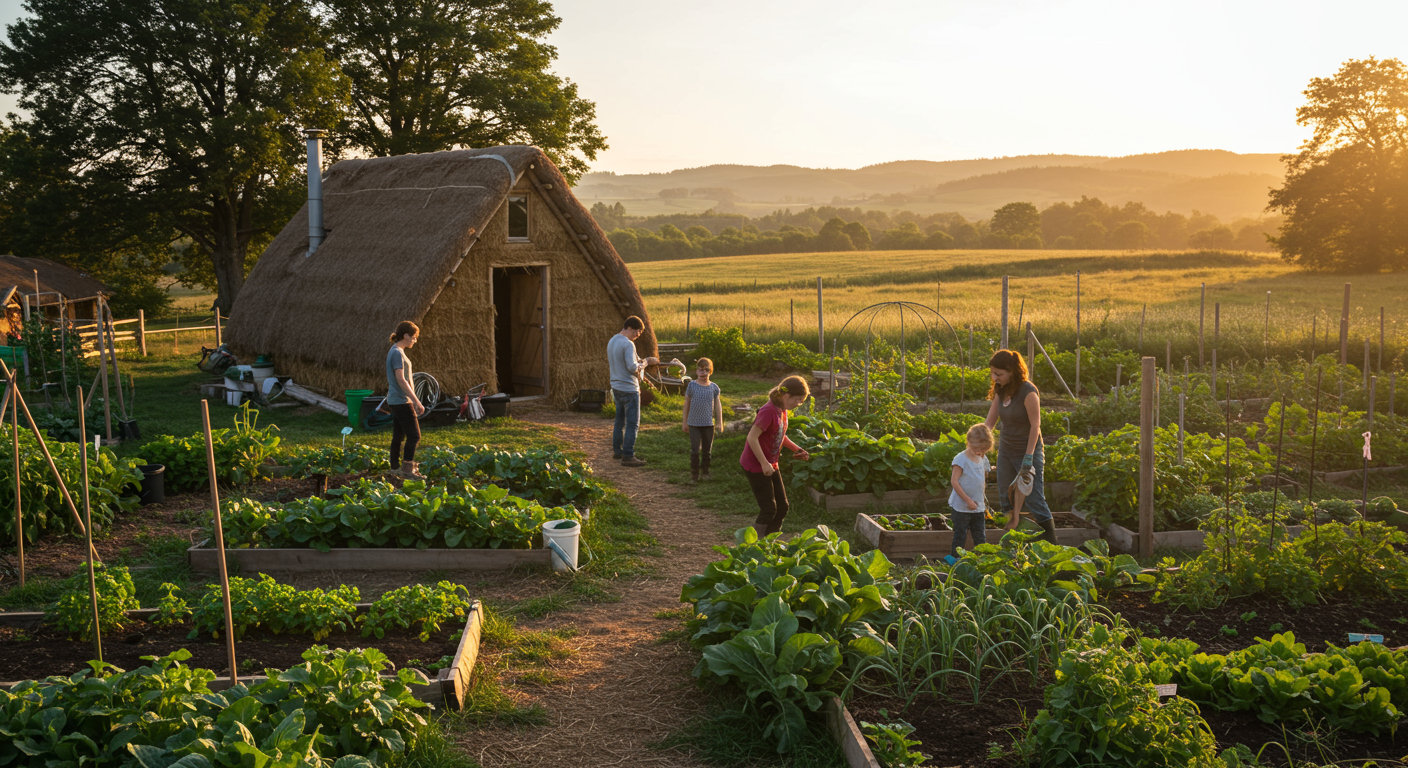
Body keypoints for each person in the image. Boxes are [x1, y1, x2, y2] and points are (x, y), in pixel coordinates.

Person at [983, 349, 1057, 544]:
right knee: (1005, 495)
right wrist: (978, 447)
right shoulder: (1001, 390)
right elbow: (989, 423)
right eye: (992, 373)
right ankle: (1013, 541)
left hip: (1028, 450)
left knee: (1033, 497)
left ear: (1012, 371)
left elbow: (1035, 426)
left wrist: (1028, 457)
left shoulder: (1028, 392)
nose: (994, 377)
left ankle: (1051, 542)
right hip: (1006, 451)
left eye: (998, 374)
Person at [741, 375, 810, 537]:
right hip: (755, 465)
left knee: (783, 506)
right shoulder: (768, 411)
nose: (798, 404)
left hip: (771, 464)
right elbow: (752, 437)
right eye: (798, 400)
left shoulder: (782, 410)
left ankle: (770, 541)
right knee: (768, 509)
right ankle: (752, 546)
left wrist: (796, 448)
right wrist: (764, 463)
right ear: (787, 395)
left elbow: (779, 434)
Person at [608, 316, 657, 467]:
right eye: (637, 332)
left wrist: (640, 362)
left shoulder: (612, 340)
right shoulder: (628, 344)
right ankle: (628, 455)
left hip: (616, 386)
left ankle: (618, 451)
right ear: (629, 328)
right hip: (629, 388)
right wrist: (646, 363)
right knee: (632, 424)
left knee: (619, 420)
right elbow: (632, 367)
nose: (637, 335)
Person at [386, 321, 426, 477]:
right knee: (414, 435)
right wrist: (416, 401)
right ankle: (408, 470)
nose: (415, 340)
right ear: (406, 336)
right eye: (414, 337)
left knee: (398, 436)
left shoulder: (396, 351)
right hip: (402, 401)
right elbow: (401, 379)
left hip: (396, 400)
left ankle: (394, 468)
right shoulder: (397, 352)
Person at [948, 423, 994, 558]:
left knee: (980, 535)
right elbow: (954, 482)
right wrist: (968, 500)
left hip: (978, 507)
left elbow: (983, 476)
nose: (980, 453)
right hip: (962, 507)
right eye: (977, 449)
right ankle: (954, 560)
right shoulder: (960, 459)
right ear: (968, 442)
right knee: (960, 534)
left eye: (983, 450)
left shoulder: (982, 458)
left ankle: (982, 559)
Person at [682, 357, 724, 482]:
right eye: (700, 370)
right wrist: (685, 422)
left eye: (706, 370)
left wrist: (719, 422)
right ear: (696, 371)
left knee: (707, 451)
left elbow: (717, 405)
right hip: (693, 424)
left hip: (708, 424)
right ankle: (694, 474)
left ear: (710, 372)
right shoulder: (692, 385)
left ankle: (705, 472)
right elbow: (686, 404)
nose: (703, 372)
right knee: (695, 450)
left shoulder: (714, 388)